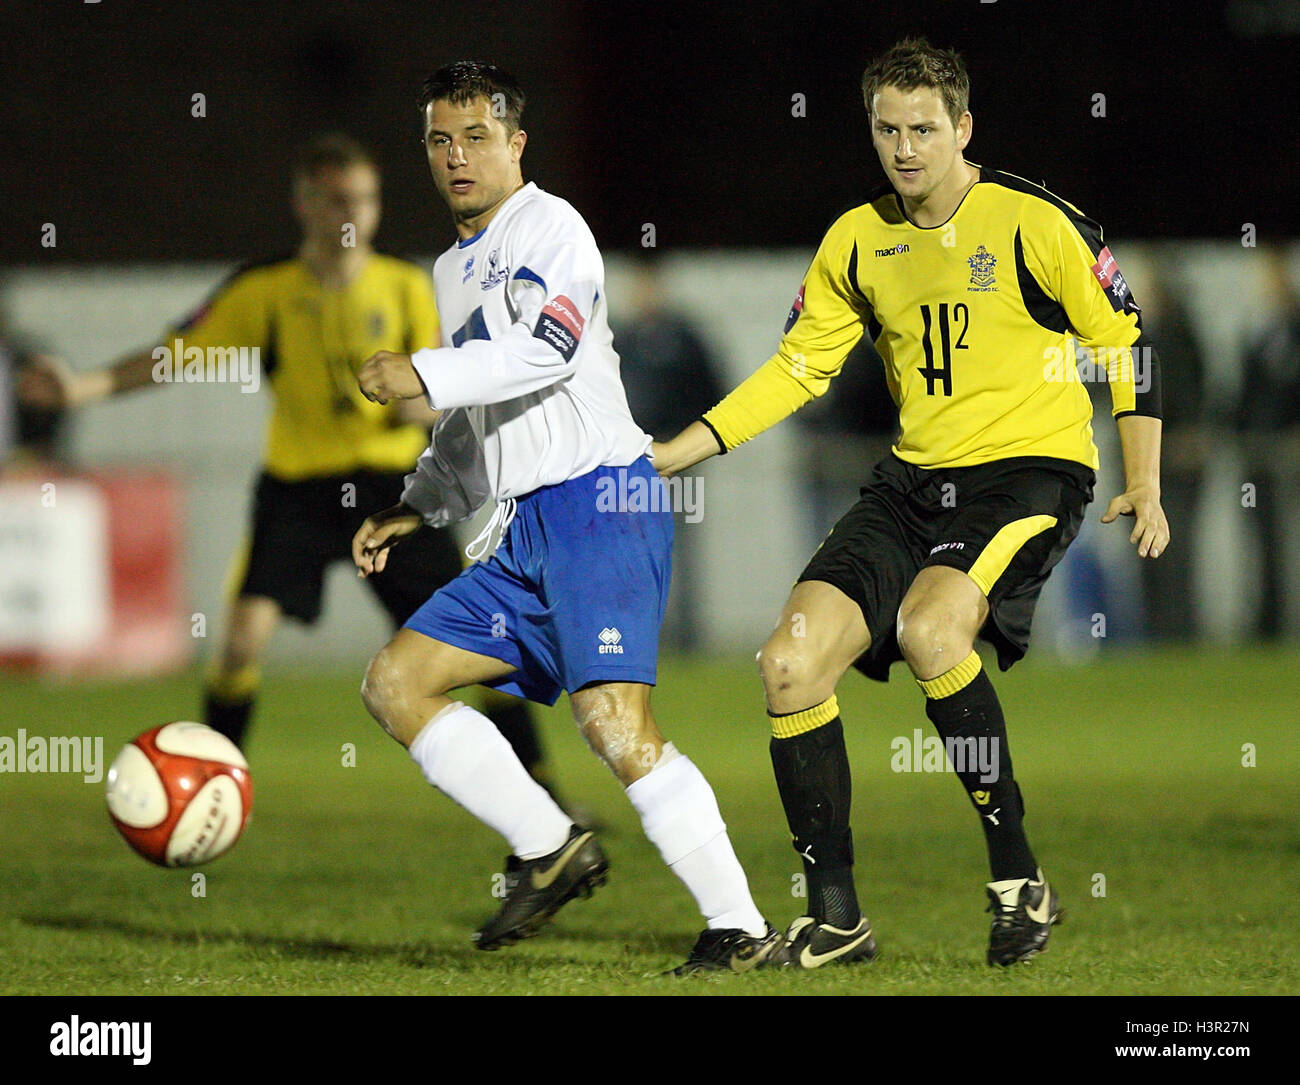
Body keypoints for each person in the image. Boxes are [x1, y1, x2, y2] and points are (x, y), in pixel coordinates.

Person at [653, 38, 1168, 968]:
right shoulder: (858, 238)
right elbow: (798, 368)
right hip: (912, 482)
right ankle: (837, 919)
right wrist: (677, 451)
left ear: (963, 128)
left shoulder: (1034, 222)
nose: (904, 147)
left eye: (924, 129)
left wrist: (1146, 478)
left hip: (1029, 471)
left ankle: (1019, 880)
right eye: (887, 128)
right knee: (788, 664)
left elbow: (1126, 340)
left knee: (936, 631)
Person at [350, 61, 781, 972]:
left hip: (600, 503)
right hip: (521, 531)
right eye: (440, 139)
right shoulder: (450, 267)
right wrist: (420, 502)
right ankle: (551, 846)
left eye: (477, 136)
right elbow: (482, 417)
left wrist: (421, 372)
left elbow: (543, 351)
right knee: (396, 683)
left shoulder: (554, 226)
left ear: (516, 143)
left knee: (612, 721)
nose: (458, 156)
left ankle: (740, 925)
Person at [16, 134, 560, 801]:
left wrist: (419, 403)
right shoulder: (265, 289)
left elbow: (446, 381)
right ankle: (206, 788)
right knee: (241, 641)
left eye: (364, 198)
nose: (353, 213)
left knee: (474, 646)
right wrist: (81, 388)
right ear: (303, 204)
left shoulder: (407, 285)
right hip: (298, 491)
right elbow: (174, 355)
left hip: (393, 492)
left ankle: (545, 794)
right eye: (336, 199)